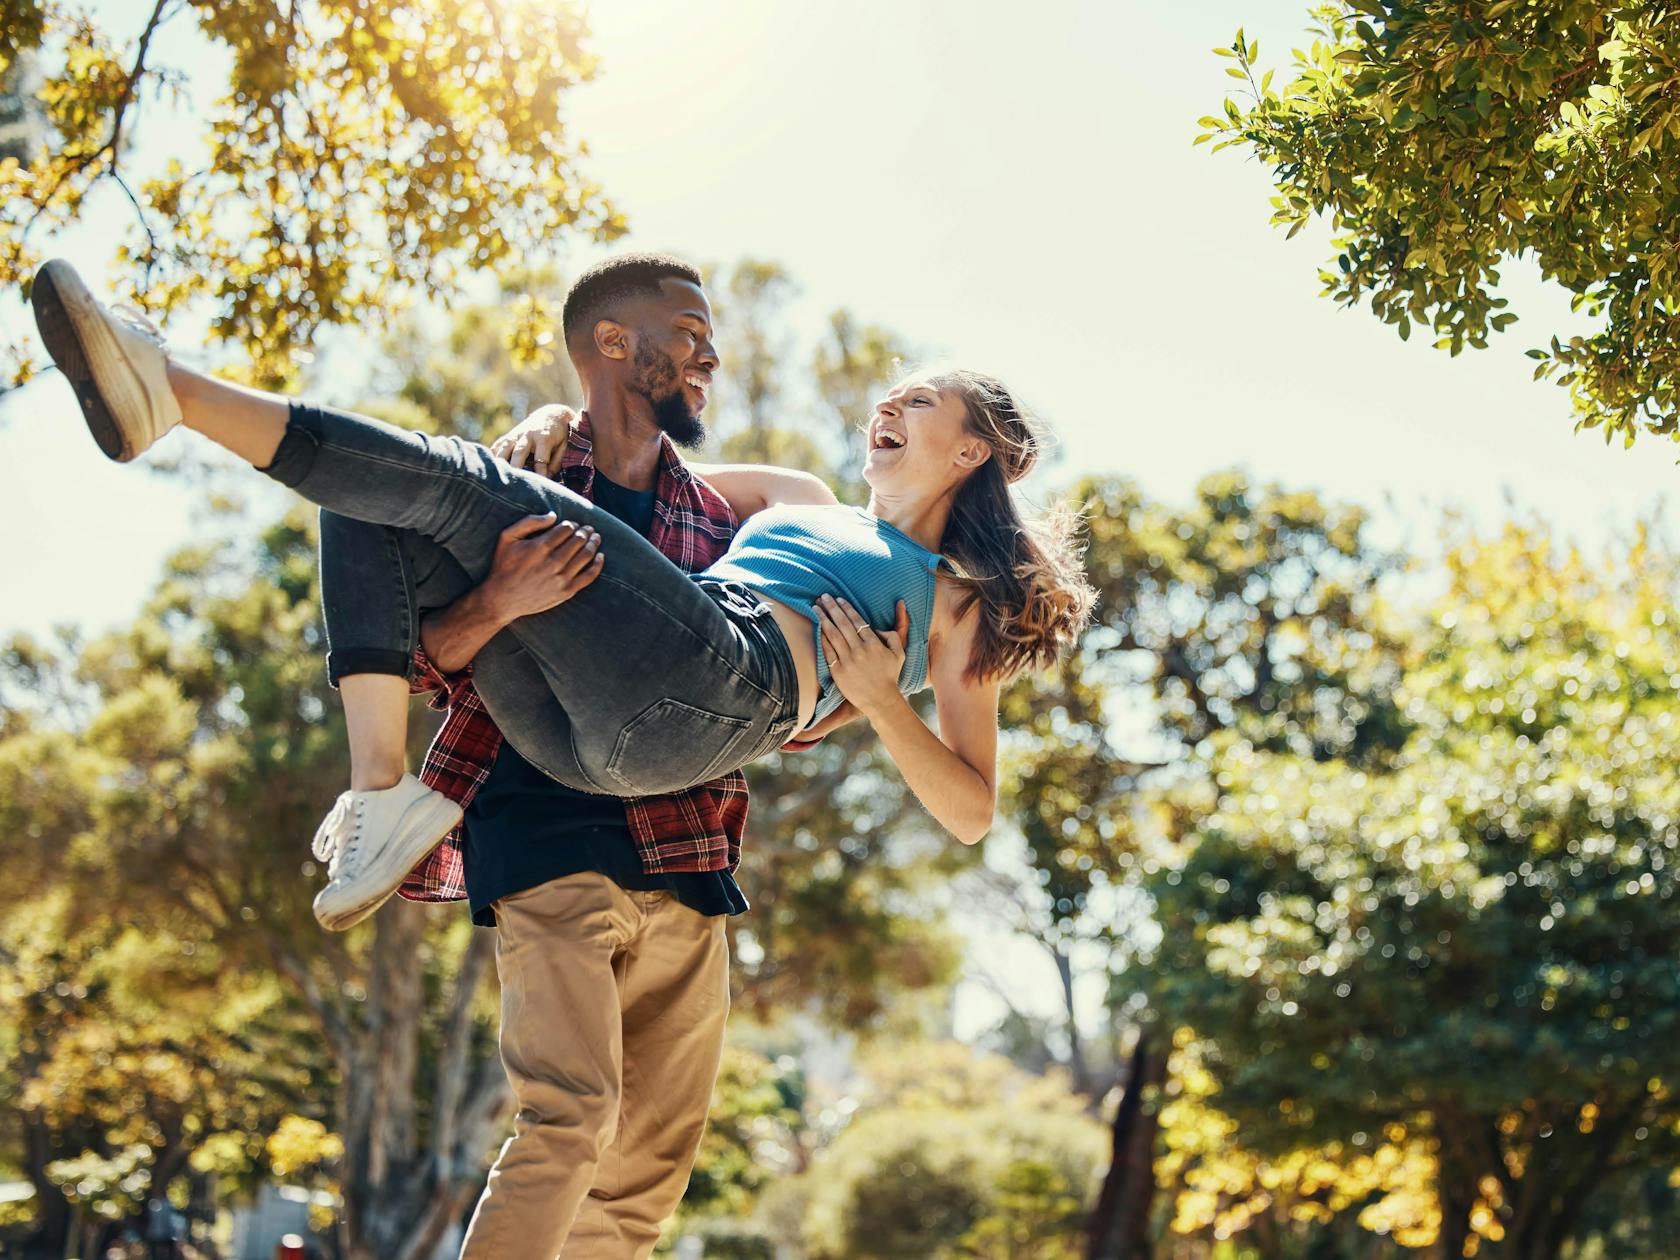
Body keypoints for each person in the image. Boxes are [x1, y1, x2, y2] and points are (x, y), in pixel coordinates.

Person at [30, 249, 1095, 899]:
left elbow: (969, 811)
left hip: (725, 685)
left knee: (443, 483)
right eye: (891, 396)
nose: (888, 408)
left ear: (971, 451)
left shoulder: (962, 603)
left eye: (919, 402)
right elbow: (612, 457)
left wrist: (879, 704)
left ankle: (167, 385)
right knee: (377, 496)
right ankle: (379, 795)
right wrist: (551, 419)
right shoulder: (796, 494)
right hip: (601, 740)